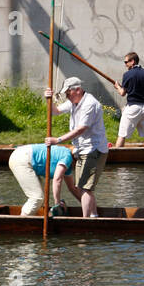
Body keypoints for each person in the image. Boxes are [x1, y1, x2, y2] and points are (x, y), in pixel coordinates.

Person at [44, 76, 109, 218]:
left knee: (85, 188)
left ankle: (85, 221)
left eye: (68, 93)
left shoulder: (89, 104)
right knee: (83, 188)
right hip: (82, 150)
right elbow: (55, 111)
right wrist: (48, 99)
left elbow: (81, 129)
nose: (67, 96)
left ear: (77, 90)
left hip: (93, 149)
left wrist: (58, 140)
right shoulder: (73, 102)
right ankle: (93, 215)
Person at [9, 142, 81, 217]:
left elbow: (72, 188)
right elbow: (57, 180)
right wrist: (57, 203)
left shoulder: (68, 165)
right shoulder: (67, 156)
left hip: (25, 157)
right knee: (37, 197)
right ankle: (22, 222)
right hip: (21, 158)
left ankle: (29, 219)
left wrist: (85, 204)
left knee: (40, 198)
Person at [114, 51, 144, 148]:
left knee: (122, 135)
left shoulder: (127, 75)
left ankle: (117, 158)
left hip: (132, 108)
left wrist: (117, 86)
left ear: (132, 61)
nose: (125, 65)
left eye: (126, 62)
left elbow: (122, 93)